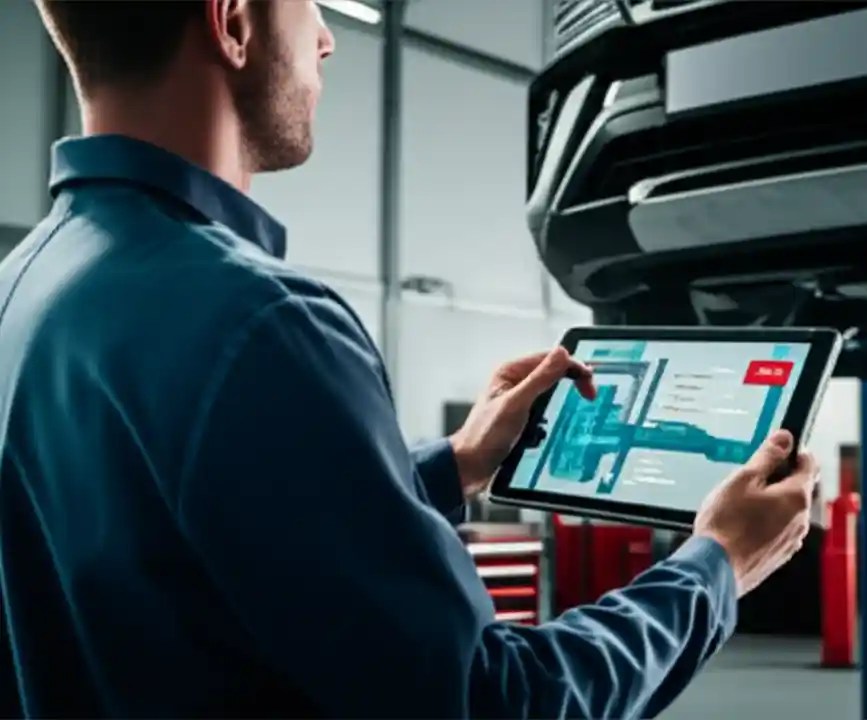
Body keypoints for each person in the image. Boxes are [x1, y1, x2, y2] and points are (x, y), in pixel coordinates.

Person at [0, 1, 818, 717]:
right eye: (308, 5)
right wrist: (715, 566)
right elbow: (489, 699)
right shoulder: (263, 323)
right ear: (234, 22)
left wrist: (453, 465)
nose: (325, 38)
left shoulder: (25, 290)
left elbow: (196, 539)